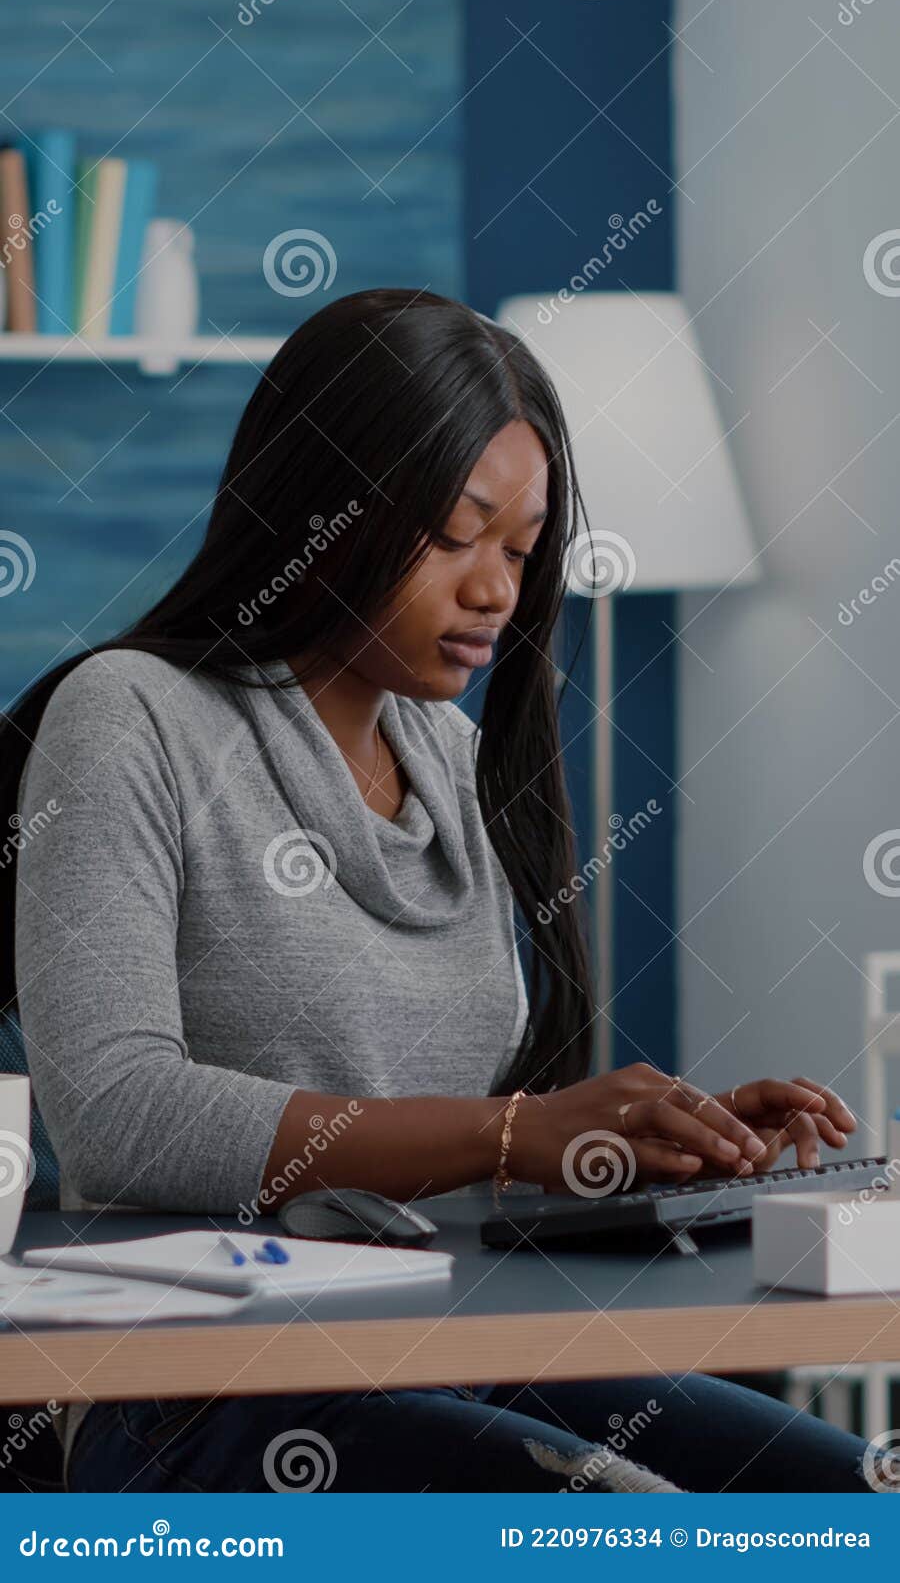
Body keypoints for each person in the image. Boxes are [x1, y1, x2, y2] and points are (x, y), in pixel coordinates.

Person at [1, 289, 873, 1493]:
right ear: (327, 506)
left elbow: (465, 1146)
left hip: (456, 1344)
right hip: (198, 1401)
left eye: (520, 549)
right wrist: (514, 1133)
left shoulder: (453, 760)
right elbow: (116, 1109)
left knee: (843, 1498)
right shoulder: (132, 718)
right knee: (631, 1528)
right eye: (457, 535)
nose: (495, 592)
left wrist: (651, 1146)